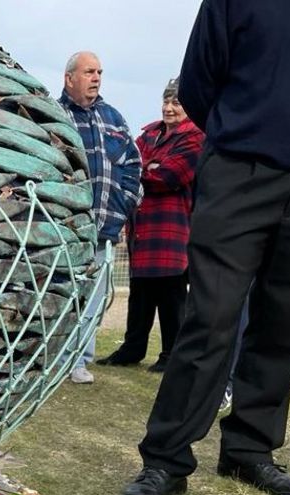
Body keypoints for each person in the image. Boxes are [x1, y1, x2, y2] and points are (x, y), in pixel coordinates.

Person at [122, 0, 290, 495]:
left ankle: (250, 448)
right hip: (240, 171)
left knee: (288, 325)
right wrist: (246, 132)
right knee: (211, 316)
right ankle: (166, 458)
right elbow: (199, 82)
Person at [96, 79, 203, 373]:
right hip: (141, 226)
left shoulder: (195, 137)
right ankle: (133, 348)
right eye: (166, 101)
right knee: (140, 293)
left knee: (171, 295)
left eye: (176, 103)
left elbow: (169, 177)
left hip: (172, 228)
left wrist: (143, 170)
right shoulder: (149, 134)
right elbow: (126, 164)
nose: (169, 108)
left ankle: (171, 354)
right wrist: (146, 168)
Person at [58, 51, 143, 384]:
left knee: (92, 301)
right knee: (60, 295)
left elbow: (132, 166)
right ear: (69, 78)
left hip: (104, 228)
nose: (96, 78)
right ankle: (49, 362)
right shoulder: (53, 115)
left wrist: (123, 205)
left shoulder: (114, 119)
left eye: (99, 72)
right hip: (63, 230)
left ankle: (79, 360)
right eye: (89, 72)